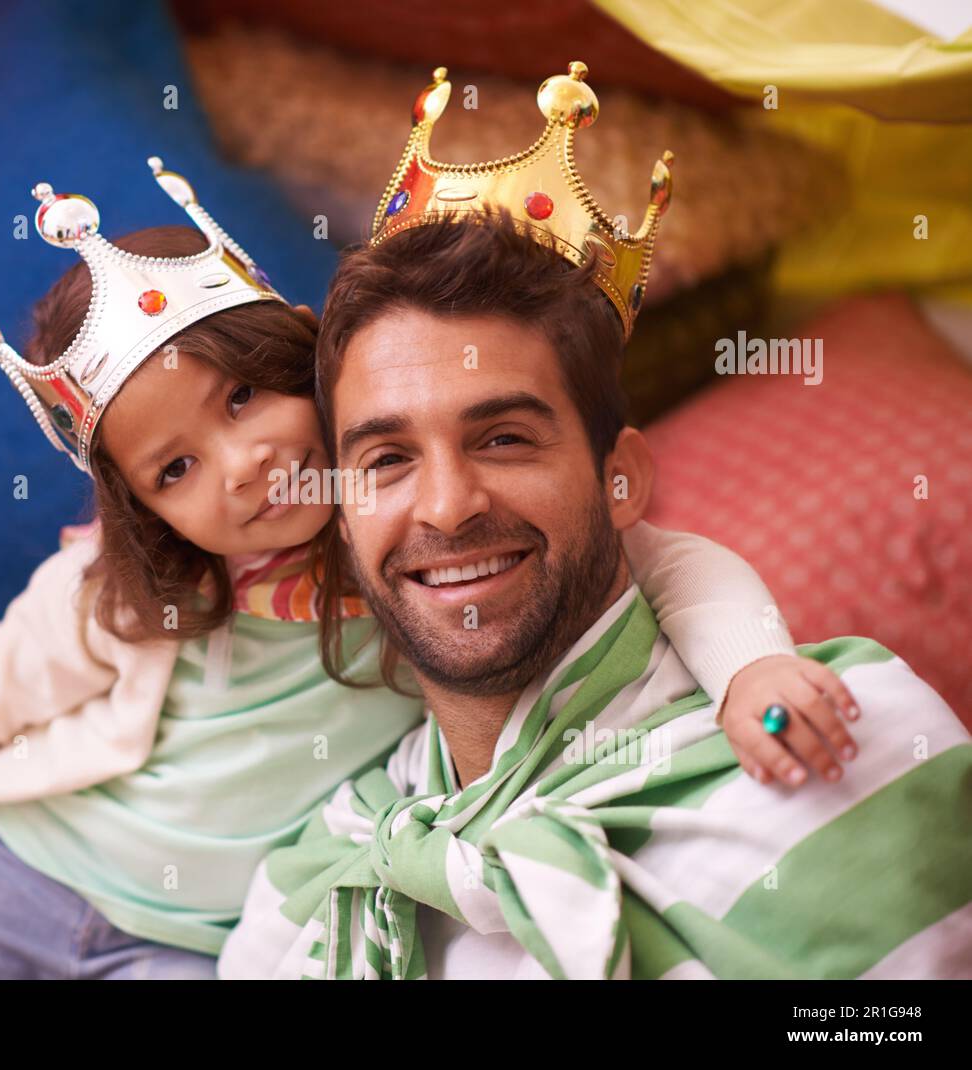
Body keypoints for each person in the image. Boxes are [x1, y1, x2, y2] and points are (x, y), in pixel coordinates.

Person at [0, 160, 843, 980]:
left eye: (245, 398)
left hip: (190, 945)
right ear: (146, 509)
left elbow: (666, 566)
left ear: (307, 362)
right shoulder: (128, 600)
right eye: (178, 466)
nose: (242, 465)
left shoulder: (421, 540)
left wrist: (752, 668)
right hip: (11, 876)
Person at [217, 208, 972, 981]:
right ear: (343, 524)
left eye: (503, 437)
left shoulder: (841, 745)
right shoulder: (318, 877)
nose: (446, 506)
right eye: (386, 460)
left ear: (623, 481)